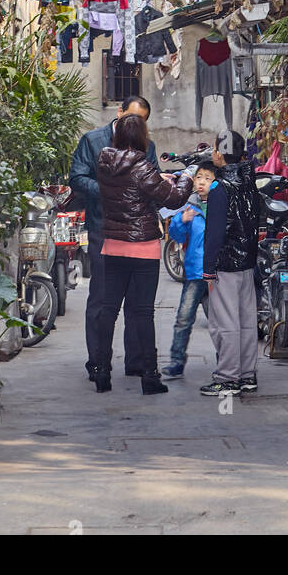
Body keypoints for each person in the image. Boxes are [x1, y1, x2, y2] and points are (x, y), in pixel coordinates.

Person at [93, 112, 194, 393]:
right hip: (144, 247)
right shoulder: (143, 167)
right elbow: (172, 198)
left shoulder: (104, 162)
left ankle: (102, 372)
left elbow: (129, 185)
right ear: (142, 137)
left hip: (113, 243)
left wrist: (156, 177)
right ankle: (150, 377)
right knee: (143, 313)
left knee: (108, 310)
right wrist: (186, 176)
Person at [69, 96, 158, 380]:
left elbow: (152, 184)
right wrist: (111, 190)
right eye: (130, 117)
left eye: (141, 120)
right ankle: (97, 361)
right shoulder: (93, 141)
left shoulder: (148, 147)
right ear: (118, 113)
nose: (134, 124)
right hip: (102, 228)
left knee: (137, 300)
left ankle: (136, 362)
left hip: (137, 235)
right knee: (102, 298)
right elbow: (77, 178)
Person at [201, 130, 260, 397]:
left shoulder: (219, 188)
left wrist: (208, 267)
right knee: (246, 320)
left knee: (224, 323)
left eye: (215, 149)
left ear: (220, 154)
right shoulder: (249, 181)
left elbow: (214, 233)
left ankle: (227, 378)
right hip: (247, 261)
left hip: (226, 262)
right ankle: (247, 374)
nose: (212, 153)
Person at [161, 158, 217, 380]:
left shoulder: (220, 206)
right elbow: (176, 237)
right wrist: (181, 221)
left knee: (220, 322)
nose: (202, 182)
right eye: (199, 177)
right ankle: (176, 361)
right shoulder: (189, 207)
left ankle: (227, 361)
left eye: (208, 178)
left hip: (215, 275)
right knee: (184, 319)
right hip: (194, 274)